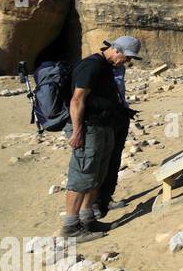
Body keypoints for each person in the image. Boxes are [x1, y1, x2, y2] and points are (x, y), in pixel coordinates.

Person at [60, 36, 141, 240]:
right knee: (83, 174)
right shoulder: (91, 66)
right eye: (127, 57)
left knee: (97, 173)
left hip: (103, 127)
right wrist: (77, 132)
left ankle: (88, 220)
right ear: (116, 50)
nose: (127, 62)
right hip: (88, 128)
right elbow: (77, 100)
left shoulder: (106, 67)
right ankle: (70, 227)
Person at [94, 44, 137, 219]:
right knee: (100, 161)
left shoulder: (120, 69)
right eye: (127, 57)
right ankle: (94, 202)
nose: (128, 61)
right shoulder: (98, 67)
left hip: (120, 117)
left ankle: (106, 198)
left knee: (114, 159)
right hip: (105, 119)